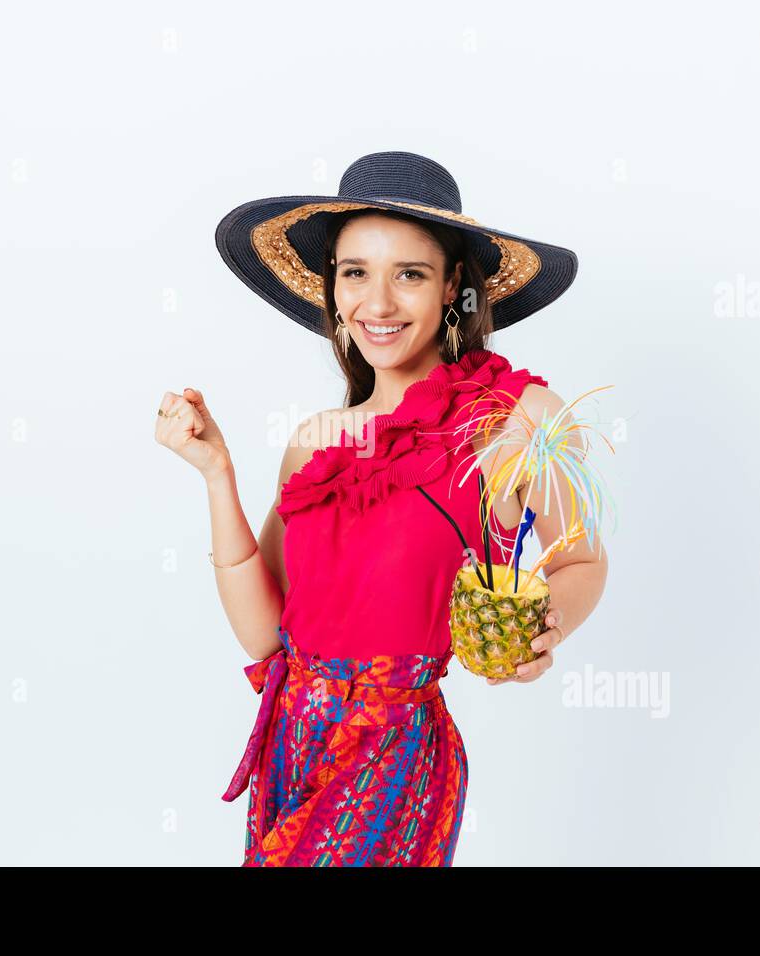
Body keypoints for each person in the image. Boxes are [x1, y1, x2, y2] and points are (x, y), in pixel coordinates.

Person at [155, 151, 608, 866]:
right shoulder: (315, 443)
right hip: (292, 744)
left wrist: (545, 630)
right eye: (356, 271)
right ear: (333, 283)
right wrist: (217, 476)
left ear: (453, 283)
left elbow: (581, 557)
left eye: (411, 274)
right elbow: (266, 637)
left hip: (397, 756)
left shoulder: (516, 418)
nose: (378, 302)